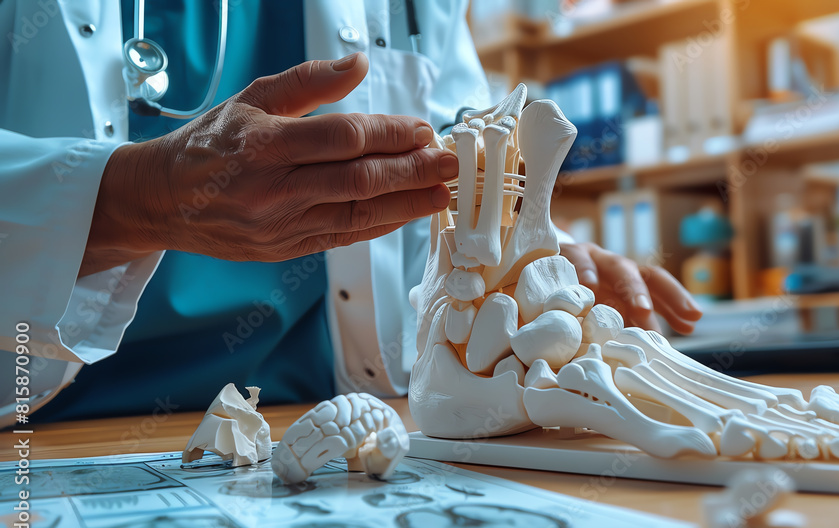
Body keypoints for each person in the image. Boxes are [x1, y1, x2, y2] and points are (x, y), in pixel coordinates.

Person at [0, 0, 702, 426]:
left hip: (341, 417)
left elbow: (458, 138)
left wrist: (532, 252)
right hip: (51, 426)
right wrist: (139, 196)